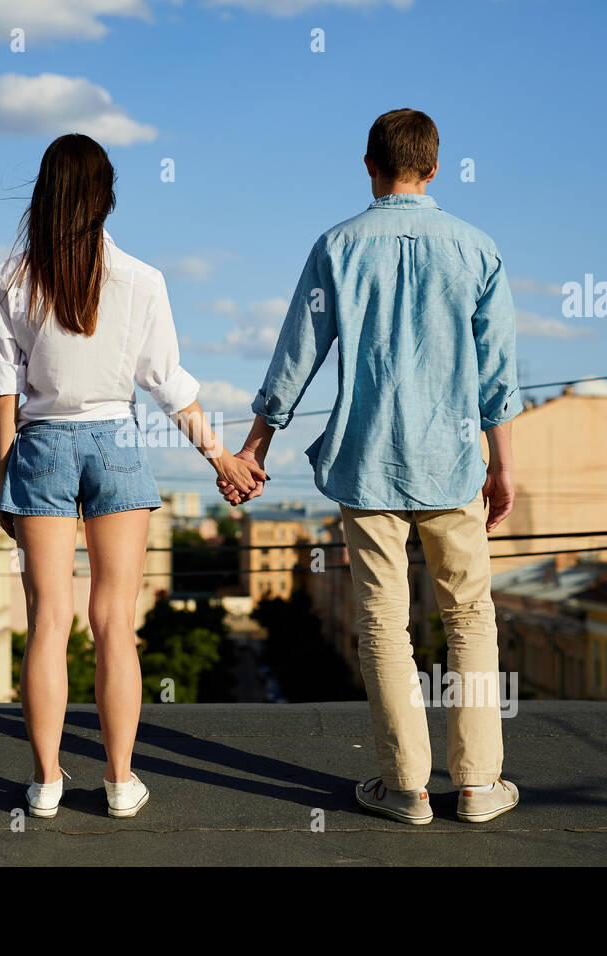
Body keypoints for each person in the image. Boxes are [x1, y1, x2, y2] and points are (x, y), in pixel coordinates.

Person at [220, 108, 522, 825]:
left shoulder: (338, 247)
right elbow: (499, 375)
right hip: (453, 461)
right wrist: (502, 463)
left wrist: (256, 445)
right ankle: (478, 787)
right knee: (470, 618)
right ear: (436, 167)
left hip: (369, 461)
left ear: (368, 165)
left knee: (385, 622)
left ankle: (406, 788)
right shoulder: (478, 249)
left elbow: (298, 353)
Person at [0, 133, 267, 820]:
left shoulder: (9, 278)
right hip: (116, 440)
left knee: (48, 619)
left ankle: (47, 783)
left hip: (41, 446)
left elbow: (3, 391)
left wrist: (5, 480)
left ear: (43, 193)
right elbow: (170, 388)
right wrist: (224, 460)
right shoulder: (143, 280)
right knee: (114, 621)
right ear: (106, 197)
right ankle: (118, 782)